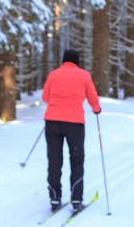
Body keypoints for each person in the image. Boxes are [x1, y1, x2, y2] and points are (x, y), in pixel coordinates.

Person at [41, 49, 101, 213]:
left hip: (52, 122)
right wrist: (96, 109)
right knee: (76, 161)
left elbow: (45, 97)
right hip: (74, 124)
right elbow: (92, 96)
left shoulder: (53, 74)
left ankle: (54, 198)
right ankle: (76, 199)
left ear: (63, 60)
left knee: (54, 160)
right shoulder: (84, 75)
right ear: (77, 61)